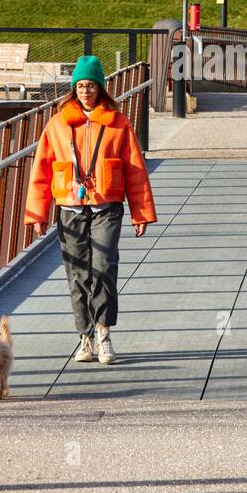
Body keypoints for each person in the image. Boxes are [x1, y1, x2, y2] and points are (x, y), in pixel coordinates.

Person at [24, 56, 156, 366]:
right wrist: (37, 215)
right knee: (77, 274)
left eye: (91, 85)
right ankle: (84, 337)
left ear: (100, 88)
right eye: (81, 86)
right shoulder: (57, 125)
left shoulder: (118, 124)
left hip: (106, 206)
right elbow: (41, 172)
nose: (85, 90)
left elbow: (135, 170)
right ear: (74, 89)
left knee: (103, 268)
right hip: (69, 206)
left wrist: (141, 213)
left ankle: (104, 333)